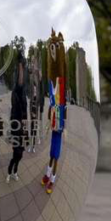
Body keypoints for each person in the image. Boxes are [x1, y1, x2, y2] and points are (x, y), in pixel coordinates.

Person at [42, 31, 67, 195]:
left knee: (56, 153)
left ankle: (52, 178)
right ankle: (48, 172)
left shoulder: (61, 83)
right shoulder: (52, 84)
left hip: (59, 123)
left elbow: (62, 106)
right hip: (54, 122)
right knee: (52, 150)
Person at [7, 61, 28, 182]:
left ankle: (15, 171)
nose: (22, 78)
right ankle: (10, 172)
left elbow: (24, 107)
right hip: (16, 126)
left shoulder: (23, 92)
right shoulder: (16, 91)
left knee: (20, 154)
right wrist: (20, 66)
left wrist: (26, 119)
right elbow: (16, 109)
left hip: (21, 128)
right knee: (16, 154)